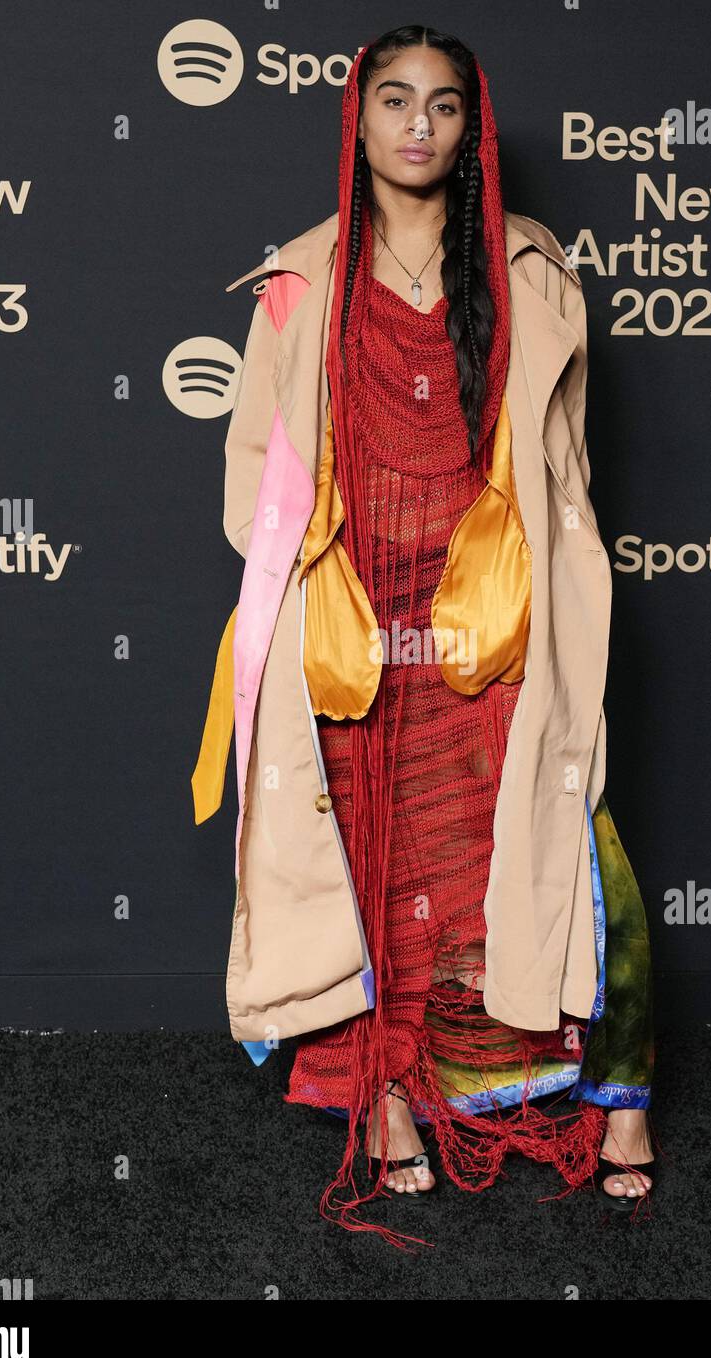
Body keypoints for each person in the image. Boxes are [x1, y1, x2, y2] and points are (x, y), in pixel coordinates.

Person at [194, 25, 658, 1249]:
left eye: (442, 106)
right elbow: (256, 475)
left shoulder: (531, 272)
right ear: (356, 119)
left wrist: (539, 581)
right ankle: (386, 1092)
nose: (417, 125)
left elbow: (562, 467)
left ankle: (616, 1094)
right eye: (393, 101)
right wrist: (308, 584)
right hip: (355, 617)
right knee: (365, 854)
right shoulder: (300, 281)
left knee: (558, 837)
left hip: (496, 616)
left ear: (470, 127)